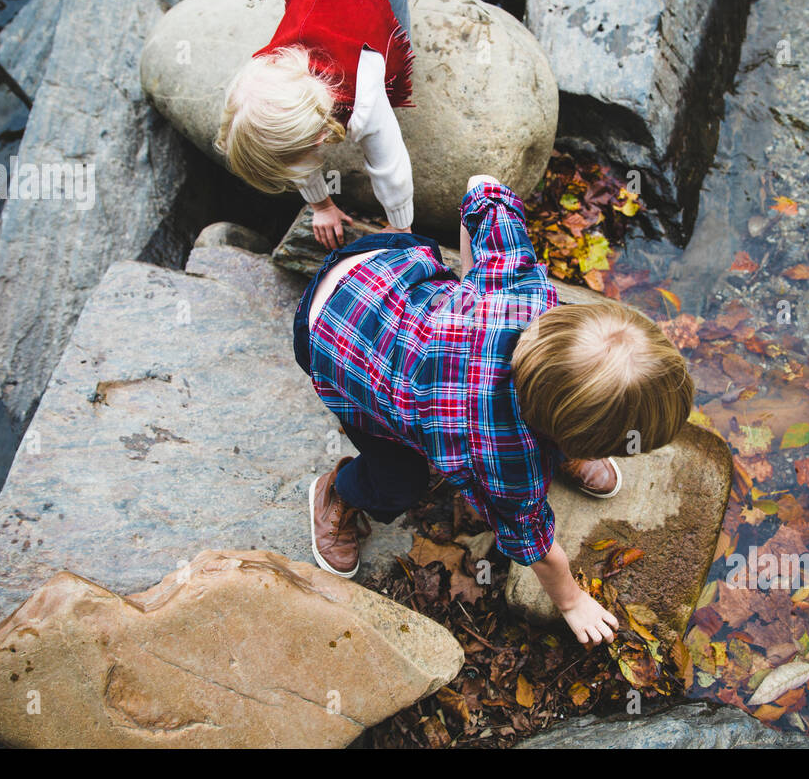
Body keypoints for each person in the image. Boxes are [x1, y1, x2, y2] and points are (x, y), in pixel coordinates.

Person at [292, 175, 695, 646]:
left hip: (380, 266)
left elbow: (480, 188)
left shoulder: (523, 286)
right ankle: (337, 493)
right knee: (400, 481)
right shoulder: (507, 458)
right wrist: (571, 600)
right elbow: (535, 545)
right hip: (335, 344)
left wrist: (469, 286)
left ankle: (561, 435)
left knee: (438, 284)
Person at [215, 0, 416, 250]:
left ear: (321, 134)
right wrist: (321, 205)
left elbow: (389, 165)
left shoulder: (364, 91)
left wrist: (401, 226)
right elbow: (291, 157)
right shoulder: (268, 68)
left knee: (395, 30)